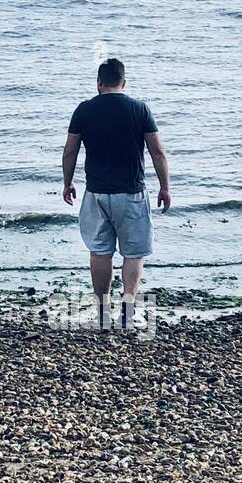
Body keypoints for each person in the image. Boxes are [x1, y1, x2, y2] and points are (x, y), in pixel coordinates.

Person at [61, 58, 171, 329]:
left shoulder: (84, 110)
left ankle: (101, 311)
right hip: (131, 192)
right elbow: (157, 151)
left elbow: (70, 150)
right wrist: (165, 187)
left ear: (99, 83)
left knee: (100, 253)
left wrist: (68, 182)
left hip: (96, 192)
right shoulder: (139, 109)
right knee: (133, 253)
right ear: (124, 82)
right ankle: (128, 310)